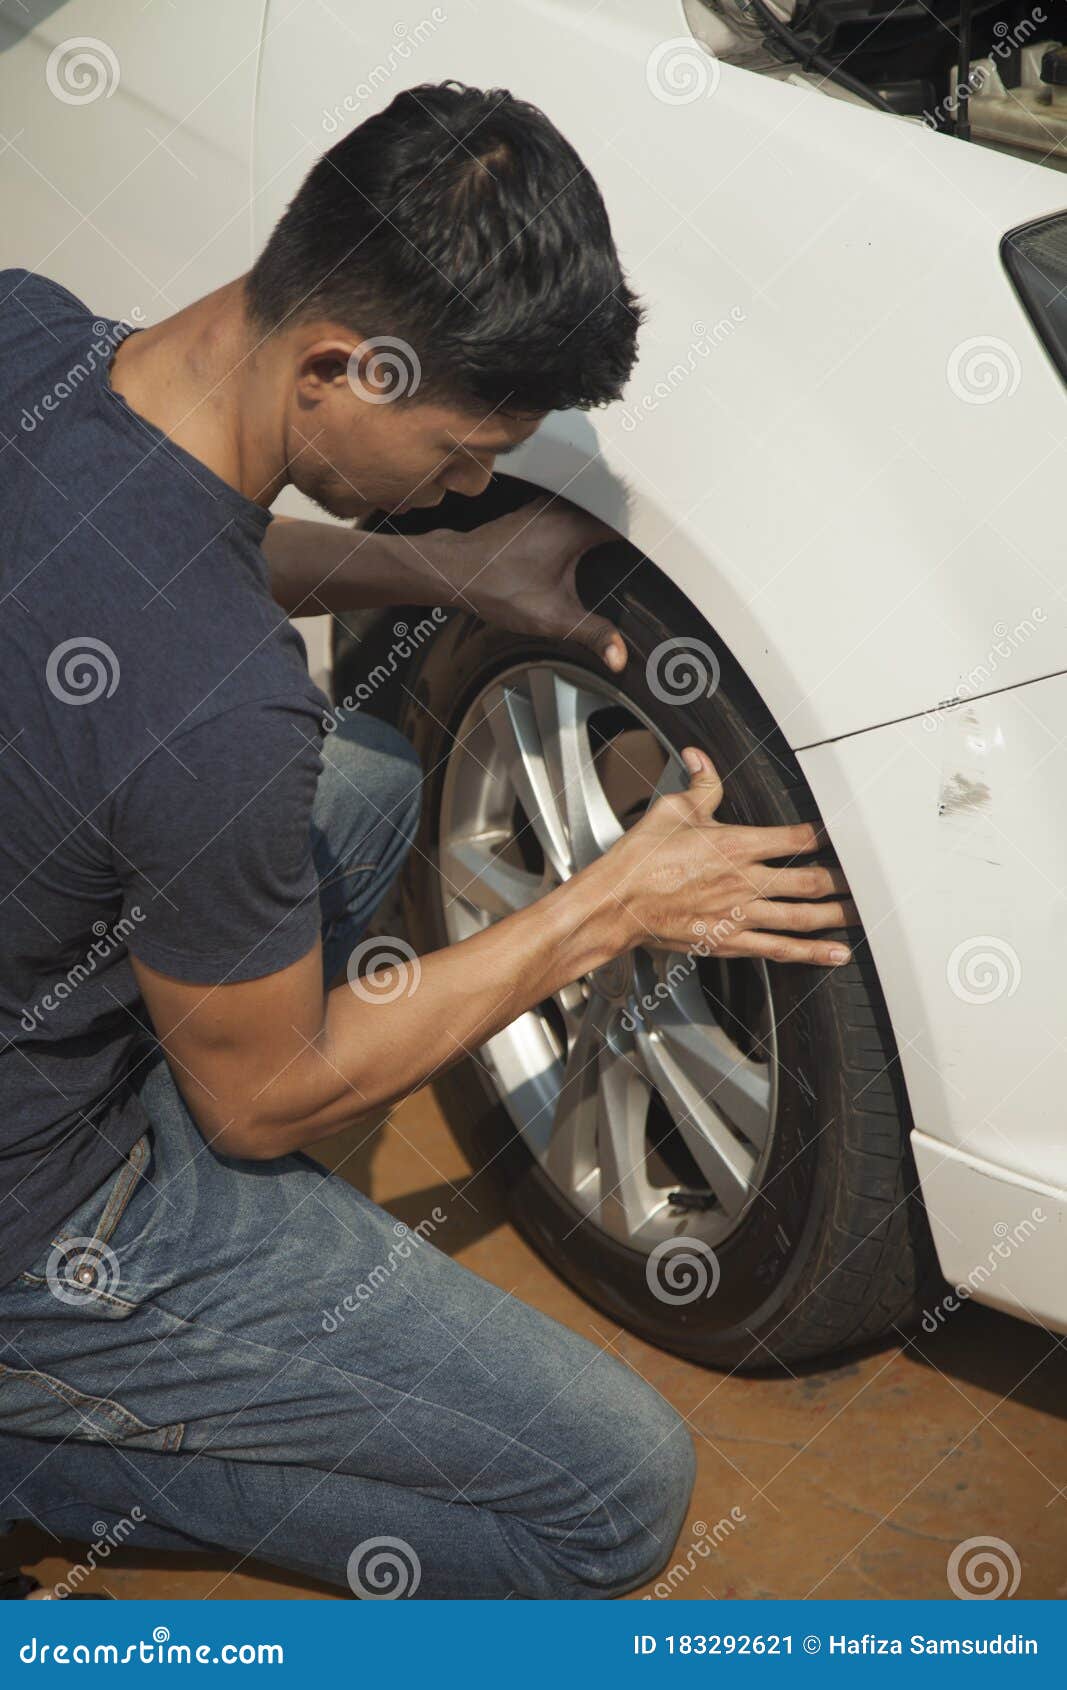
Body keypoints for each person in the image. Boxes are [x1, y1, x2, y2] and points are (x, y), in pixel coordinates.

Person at [0, 82, 853, 1599]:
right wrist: (605, 905)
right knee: (616, 1494)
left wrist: (448, 566)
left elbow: (161, 539)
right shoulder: (214, 710)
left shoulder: (32, 334)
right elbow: (270, 1102)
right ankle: (51, 1434)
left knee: (372, 782)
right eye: (463, 454)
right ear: (338, 363)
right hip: (43, 1210)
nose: (472, 485)